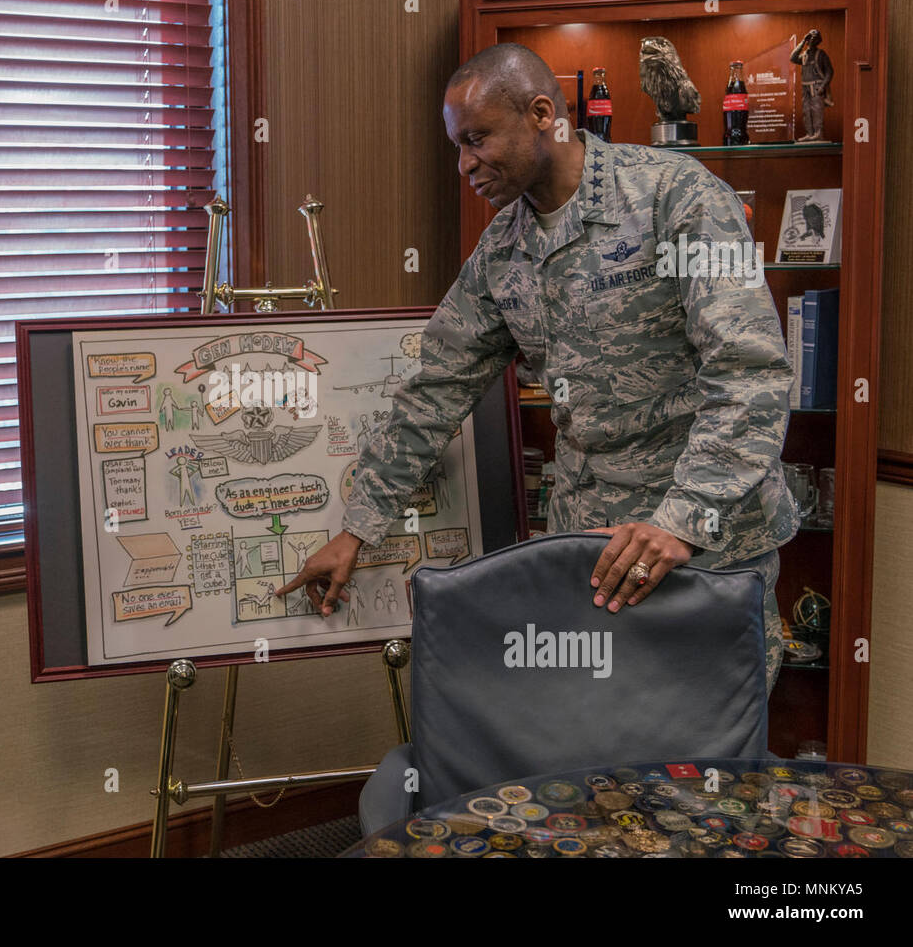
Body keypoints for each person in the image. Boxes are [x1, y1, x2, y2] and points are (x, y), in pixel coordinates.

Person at [277, 43, 799, 691]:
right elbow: (433, 394)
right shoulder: (503, 251)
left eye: (477, 140)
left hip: (708, 554)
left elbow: (749, 372)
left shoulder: (679, 198)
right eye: (457, 147)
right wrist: (356, 531)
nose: (465, 164)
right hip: (591, 559)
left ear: (542, 114)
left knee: (707, 772)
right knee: (593, 768)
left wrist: (683, 522)